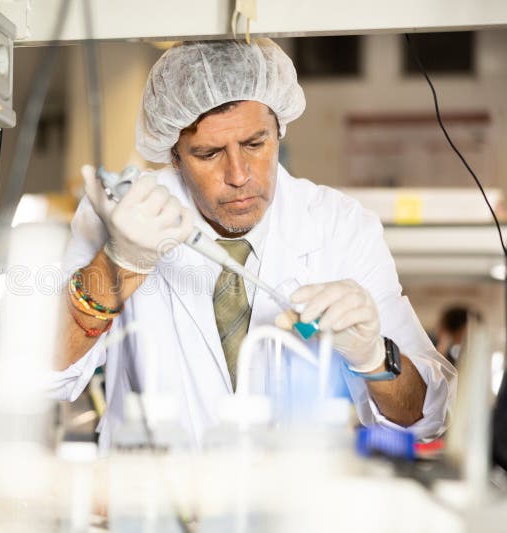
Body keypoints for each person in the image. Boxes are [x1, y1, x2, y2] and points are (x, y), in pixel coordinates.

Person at [49, 39, 456, 449]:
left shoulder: (340, 227)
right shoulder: (126, 213)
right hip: (152, 504)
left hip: (294, 506)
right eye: (209, 153)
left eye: (255, 145)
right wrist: (118, 266)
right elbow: (45, 379)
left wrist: (373, 359)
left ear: (279, 131)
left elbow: (428, 418)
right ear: (173, 155)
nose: (239, 174)